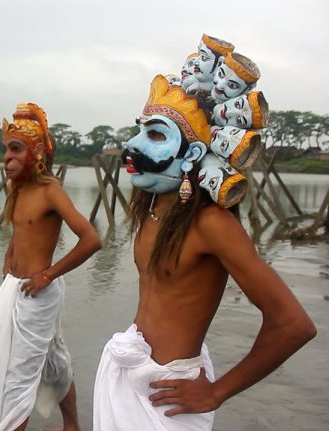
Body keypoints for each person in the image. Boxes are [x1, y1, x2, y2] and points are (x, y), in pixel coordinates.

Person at [93, 74, 316, 430]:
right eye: (140, 130)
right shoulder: (150, 209)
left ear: (193, 154)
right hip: (129, 376)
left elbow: (294, 325)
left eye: (155, 134)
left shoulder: (210, 224)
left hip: (171, 395)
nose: (133, 144)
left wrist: (216, 392)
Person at [0, 103, 102, 431]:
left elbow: (91, 239)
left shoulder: (51, 191)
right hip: (18, 286)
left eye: (16, 150)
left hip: (39, 292)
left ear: (37, 153)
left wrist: (47, 275)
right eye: (5, 150)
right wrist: (8, 254)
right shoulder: (18, 188)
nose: (7, 159)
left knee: (18, 376)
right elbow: (20, 228)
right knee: (54, 363)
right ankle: (73, 425)